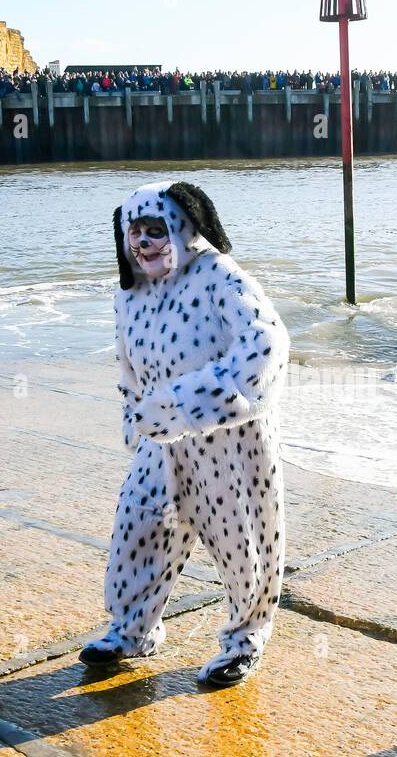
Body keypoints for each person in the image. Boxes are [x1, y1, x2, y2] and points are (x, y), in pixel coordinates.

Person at [80, 181, 290, 687]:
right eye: (136, 232)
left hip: (230, 446)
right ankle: (131, 630)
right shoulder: (129, 294)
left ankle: (246, 639)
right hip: (158, 444)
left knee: (244, 546)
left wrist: (189, 405)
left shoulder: (220, 277)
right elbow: (126, 365)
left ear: (184, 228)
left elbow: (269, 344)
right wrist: (135, 417)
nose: (145, 243)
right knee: (139, 530)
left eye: (156, 231)